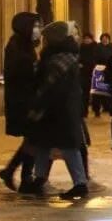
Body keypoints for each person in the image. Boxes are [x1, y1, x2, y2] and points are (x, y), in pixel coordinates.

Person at [27, 21, 90, 200]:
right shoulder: (67, 57)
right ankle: (40, 178)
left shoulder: (57, 61)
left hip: (58, 111)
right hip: (63, 110)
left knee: (68, 147)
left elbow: (49, 87)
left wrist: (38, 106)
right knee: (44, 145)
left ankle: (80, 183)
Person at [0, 12, 41, 192]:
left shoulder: (24, 45)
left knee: (32, 139)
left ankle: (16, 173)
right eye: (35, 26)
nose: (38, 30)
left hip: (26, 98)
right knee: (33, 138)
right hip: (23, 100)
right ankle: (21, 176)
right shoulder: (17, 46)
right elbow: (20, 72)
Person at [91, 33, 112, 117]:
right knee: (98, 91)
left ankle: (107, 107)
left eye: (106, 38)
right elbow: (94, 58)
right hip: (99, 71)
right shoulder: (97, 47)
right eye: (103, 38)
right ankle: (96, 109)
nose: (105, 39)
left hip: (109, 71)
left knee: (108, 89)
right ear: (101, 39)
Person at [78, 32, 99, 118]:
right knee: (85, 93)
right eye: (85, 38)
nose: (86, 40)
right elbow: (78, 58)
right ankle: (84, 111)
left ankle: (96, 110)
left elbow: (98, 58)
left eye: (88, 38)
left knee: (96, 92)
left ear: (91, 39)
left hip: (94, 72)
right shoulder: (81, 47)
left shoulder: (96, 47)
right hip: (84, 73)